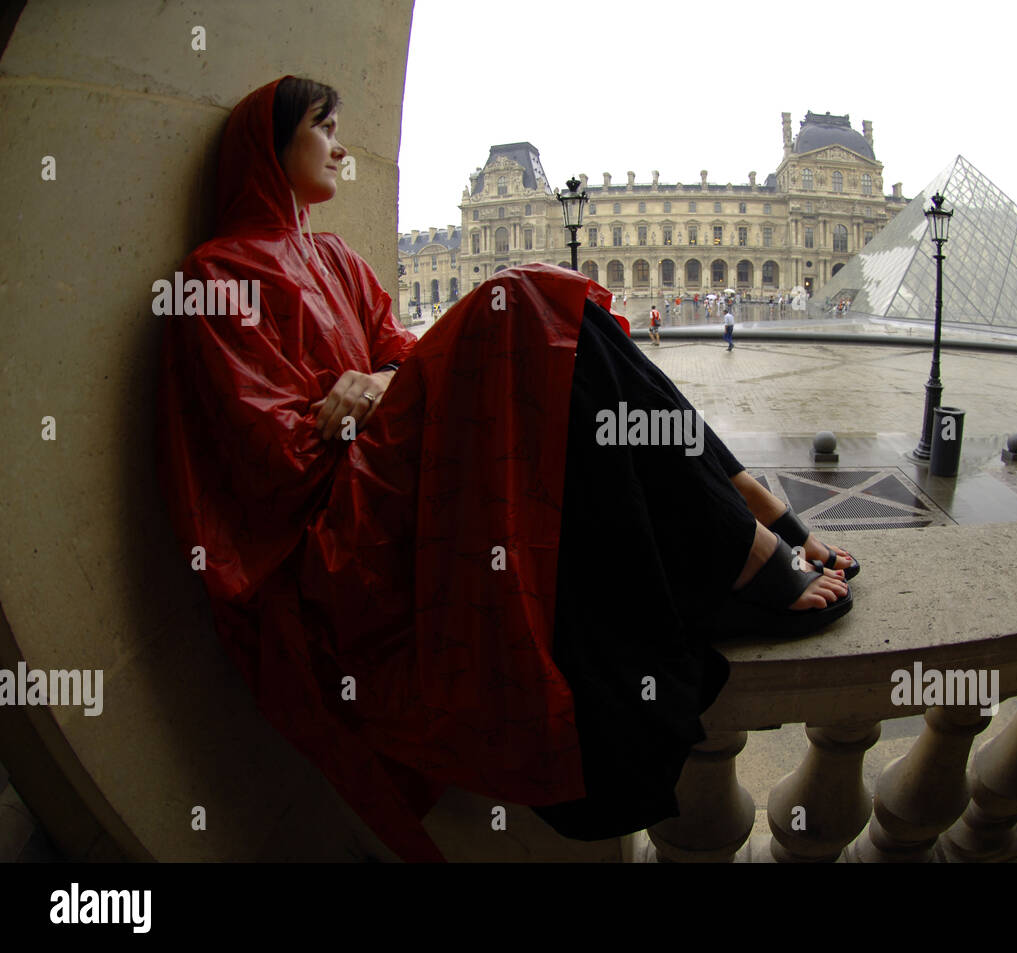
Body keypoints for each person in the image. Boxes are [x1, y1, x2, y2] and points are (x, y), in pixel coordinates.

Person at [156, 76, 856, 863]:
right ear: (268, 144)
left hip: (390, 476)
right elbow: (268, 470)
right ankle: (751, 531)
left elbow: (402, 359)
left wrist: (378, 386)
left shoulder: (336, 259)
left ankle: (750, 518)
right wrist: (359, 400)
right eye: (325, 128)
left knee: (563, 327)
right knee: (526, 297)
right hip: (340, 528)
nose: (344, 148)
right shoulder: (213, 281)